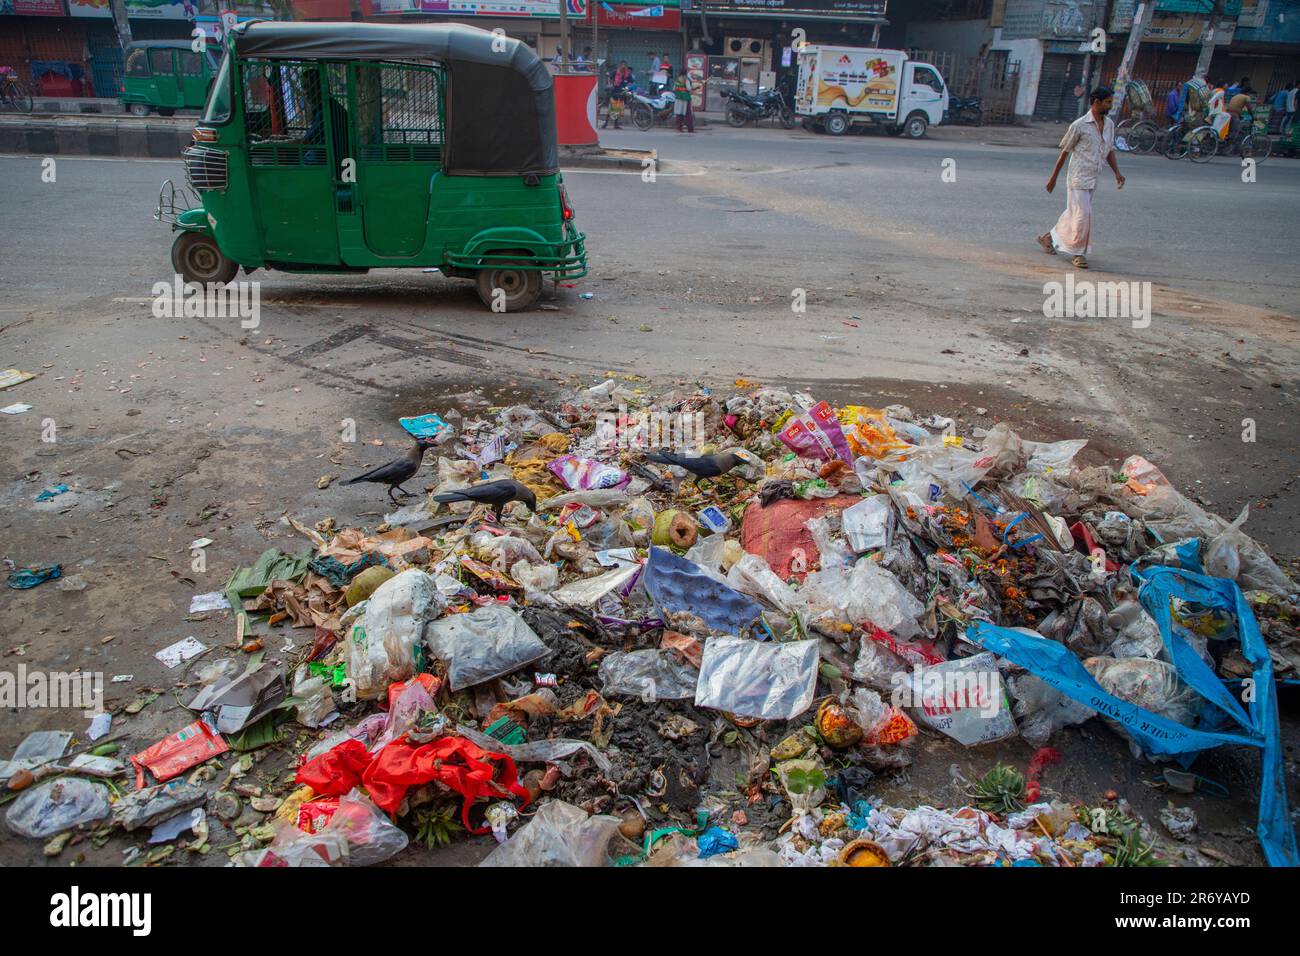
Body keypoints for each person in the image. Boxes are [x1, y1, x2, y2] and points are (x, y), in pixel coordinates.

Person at [1036, 86, 1125, 271]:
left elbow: (1109, 150)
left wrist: (1117, 172)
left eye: (1111, 102)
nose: (1110, 105)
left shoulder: (1109, 125)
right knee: (1083, 215)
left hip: (1094, 177)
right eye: (1107, 102)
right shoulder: (1079, 125)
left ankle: (1047, 238)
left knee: (1074, 213)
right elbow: (1064, 152)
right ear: (1096, 102)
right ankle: (1078, 254)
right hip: (1077, 178)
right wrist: (1053, 178)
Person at [673, 69, 694, 133]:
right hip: (685, 99)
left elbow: (674, 89)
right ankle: (690, 129)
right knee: (688, 114)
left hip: (678, 98)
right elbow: (689, 88)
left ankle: (679, 128)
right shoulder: (686, 79)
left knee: (679, 113)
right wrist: (694, 88)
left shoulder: (677, 79)